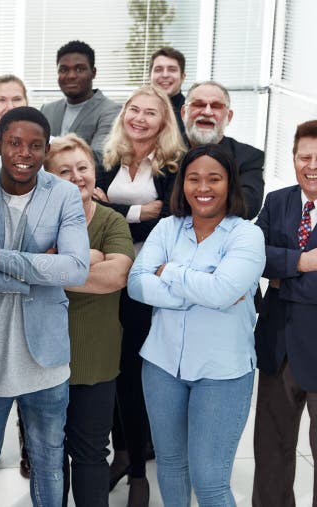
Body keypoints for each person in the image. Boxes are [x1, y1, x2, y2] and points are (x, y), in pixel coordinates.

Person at [0, 108, 89, 506]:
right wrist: (39, 266)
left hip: (46, 359)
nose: (24, 153)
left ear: (46, 151)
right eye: (14, 143)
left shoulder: (65, 194)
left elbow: (75, 268)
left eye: (35, 146)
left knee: (49, 461)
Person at [128, 143, 264, 506]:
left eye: (214, 179)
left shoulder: (247, 235)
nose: (203, 187)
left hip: (222, 373)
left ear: (229, 184)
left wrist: (170, 272)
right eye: (194, 178)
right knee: (170, 467)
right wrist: (205, 286)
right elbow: (137, 284)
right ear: (182, 185)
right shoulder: (167, 229)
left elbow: (222, 293)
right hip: (161, 365)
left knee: (210, 481)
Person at [95, 84, 186, 507]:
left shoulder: (173, 166)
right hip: (102, 279)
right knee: (107, 367)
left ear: (164, 121)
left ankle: (136, 472)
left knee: (131, 370)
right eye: (134, 109)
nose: (140, 118)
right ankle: (121, 452)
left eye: (151, 112)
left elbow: (171, 217)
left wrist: (115, 210)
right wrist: (134, 212)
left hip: (144, 284)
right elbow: (85, 207)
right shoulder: (105, 161)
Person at [45, 134, 135, 507]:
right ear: (49, 178)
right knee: (48, 455)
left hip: (95, 356)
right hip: (43, 357)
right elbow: (23, 271)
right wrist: (90, 260)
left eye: (83, 168)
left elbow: (116, 278)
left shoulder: (112, 221)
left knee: (91, 453)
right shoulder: (38, 221)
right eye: (65, 171)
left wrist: (53, 266)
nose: (77, 176)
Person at [252, 120, 317, 507]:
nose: (312, 165)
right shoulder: (278, 202)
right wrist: (305, 263)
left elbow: (272, 265)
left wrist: (283, 274)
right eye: (304, 156)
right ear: (293, 158)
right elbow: (254, 256)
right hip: (278, 346)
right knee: (272, 449)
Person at [181, 80, 264, 218]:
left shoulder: (249, 157)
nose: (207, 112)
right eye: (199, 104)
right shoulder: (165, 151)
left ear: (229, 116)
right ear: (184, 112)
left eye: (216, 106)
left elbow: (248, 206)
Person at [40, 40, 121, 161]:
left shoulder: (111, 111)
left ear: (93, 73)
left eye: (79, 69)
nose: (71, 75)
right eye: (64, 70)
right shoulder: (47, 110)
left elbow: (100, 158)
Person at [149, 47, 187, 136]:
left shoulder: (190, 115)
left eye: (172, 70)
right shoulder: (138, 111)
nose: (165, 75)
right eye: (158, 69)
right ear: (149, 76)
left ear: (183, 77)